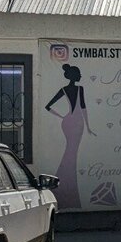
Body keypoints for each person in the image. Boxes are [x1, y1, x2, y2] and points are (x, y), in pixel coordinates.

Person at [45, 64, 96, 209]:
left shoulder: (64, 90)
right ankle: (67, 195)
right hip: (77, 122)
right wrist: (88, 126)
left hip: (68, 122)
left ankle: (63, 193)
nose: (80, 76)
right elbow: (83, 107)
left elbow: (48, 106)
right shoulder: (80, 89)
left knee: (70, 154)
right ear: (74, 75)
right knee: (71, 155)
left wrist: (62, 117)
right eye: (79, 74)